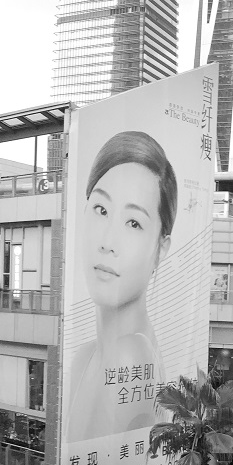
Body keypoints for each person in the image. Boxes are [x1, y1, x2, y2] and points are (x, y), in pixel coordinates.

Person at [66, 131, 181, 443]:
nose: (107, 243)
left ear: (161, 248)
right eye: (101, 210)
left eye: (133, 223)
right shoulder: (85, 357)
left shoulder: (130, 355)